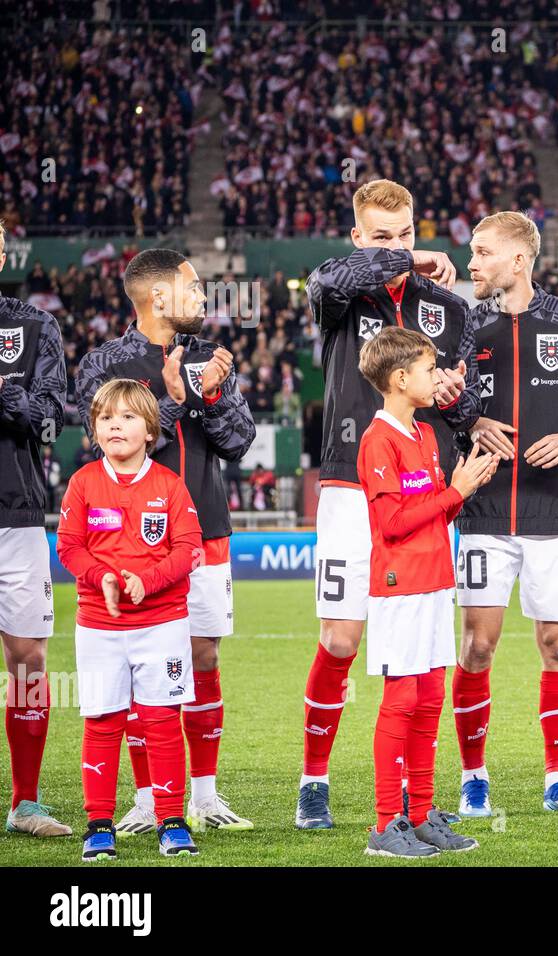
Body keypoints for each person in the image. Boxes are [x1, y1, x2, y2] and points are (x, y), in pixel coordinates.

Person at [296, 179, 469, 829]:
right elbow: (321, 282)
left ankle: (407, 796)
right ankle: (314, 779)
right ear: (358, 237)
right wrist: (400, 261)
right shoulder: (341, 297)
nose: (397, 247)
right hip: (348, 485)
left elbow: (458, 400)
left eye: (407, 235)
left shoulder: (443, 307)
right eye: (381, 237)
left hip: (419, 493)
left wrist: (455, 399)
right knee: (341, 639)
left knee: (415, 650)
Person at [76, 248, 257, 833]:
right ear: (159, 297)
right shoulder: (105, 364)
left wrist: (207, 397)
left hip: (204, 532)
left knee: (203, 658)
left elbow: (238, 443)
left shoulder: (211, 358)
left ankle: (202, 794)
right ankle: (150, 797)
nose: (204, 297)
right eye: (195, 286)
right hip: (124, 541)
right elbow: (112, 444)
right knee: (136, 669)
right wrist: (177, 402)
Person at [448, 210, 558, 818]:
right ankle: (473, 777)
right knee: (477, 645)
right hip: (484, 511)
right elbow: (437, 400)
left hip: (557, 514)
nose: (472, 262)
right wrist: (469, 419)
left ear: (520, 259)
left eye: (483, 251)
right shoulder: (464, 327)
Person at [355, 328, 496, 858]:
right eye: (428, 369)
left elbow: (436, 513)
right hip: (400, 586)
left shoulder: (425, 435)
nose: (436, 377)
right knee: (402, 699)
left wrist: (460, 492)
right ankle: (385, 823)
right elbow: (391, 524)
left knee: (431, 695)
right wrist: (451, 495)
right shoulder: (378, 439)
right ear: (399, 379)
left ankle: (420, 814)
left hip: (436, 580)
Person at [57, 379, 204, 860]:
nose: (114, 424)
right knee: (102, 721)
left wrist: (149, 580)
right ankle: (99, 824)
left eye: (127, 417)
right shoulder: (82, 483)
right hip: (99, 627)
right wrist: (101, 577)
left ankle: (171, 820)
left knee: (162, 721)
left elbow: (188, 550)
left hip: (162, 625)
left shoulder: (169, 484)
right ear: (94, 429)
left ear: (149, 431)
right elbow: (69, 547)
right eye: (105, 417)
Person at [0, 218, 70, 837]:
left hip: (15, 513)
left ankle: (25, 803)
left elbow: (47, 415)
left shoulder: (33, 326)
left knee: (26, 658)